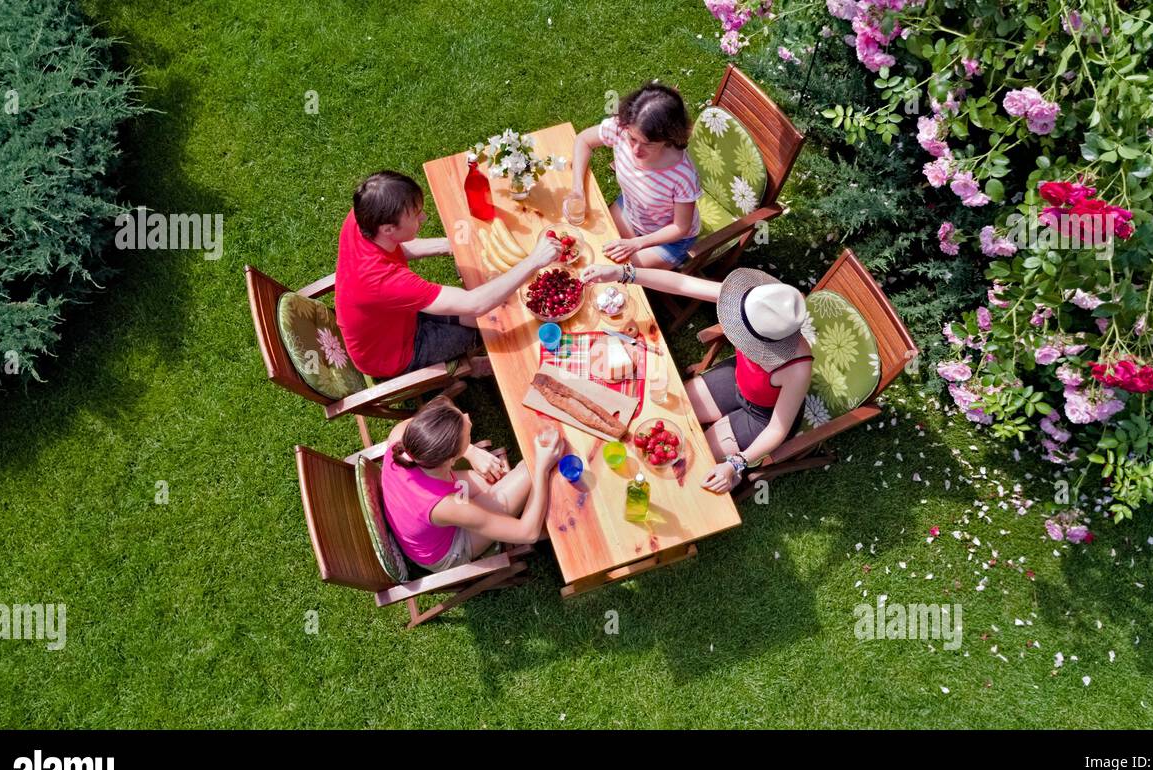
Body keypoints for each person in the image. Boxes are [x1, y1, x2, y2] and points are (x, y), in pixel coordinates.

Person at [582, 263, 812, 494]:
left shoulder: (798, 368)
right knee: (666, 409)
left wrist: (735, 463)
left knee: (690, 456)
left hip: (764, 415)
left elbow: (776, 429)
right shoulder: (756, 302)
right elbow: (683, 284)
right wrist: (624, 274)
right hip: (738, 378)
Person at [335, 170, 560, 380]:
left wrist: (449, 244)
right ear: (387, 229)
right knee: (478, 329)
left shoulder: (363, 216)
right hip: (390, 353)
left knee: (485, 315)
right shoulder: (385, 281)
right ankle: (474, 368)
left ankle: (469, 357)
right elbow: (475, 304)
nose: (423, 218)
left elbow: (395, 249)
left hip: (390, 318)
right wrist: (534, 261)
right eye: (414, 215)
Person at [380, 396, 563, 572]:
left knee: (499, 479)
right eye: (467, 435)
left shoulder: (401, 439)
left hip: (423, 509)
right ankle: (551, 525)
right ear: (451, 460)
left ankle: (521, 512)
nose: (468, 418)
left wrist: (470, 451)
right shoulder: (445, 505)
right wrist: (541, 469)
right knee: (529, 471)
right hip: (445, 550)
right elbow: (527, 533)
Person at [569, 83, 702, 270]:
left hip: (670, 241)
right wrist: (577, 190)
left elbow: (681, 227)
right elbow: (583, 140)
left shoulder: (682, 175)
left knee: (620, 271)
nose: (636, 150)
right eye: (632, 139)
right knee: (589, 241)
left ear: (669, 137)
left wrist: (637, 244)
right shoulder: (621, 128)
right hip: (632, 211)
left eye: (648, 144)